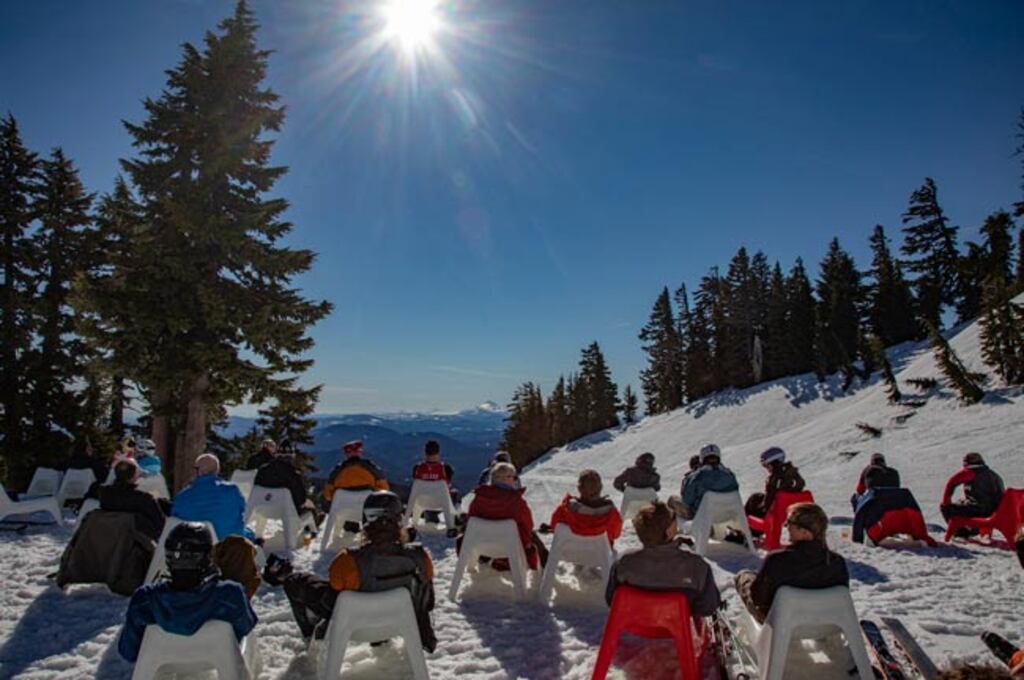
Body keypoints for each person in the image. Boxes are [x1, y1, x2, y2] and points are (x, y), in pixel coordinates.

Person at [262, 491, 437, 650]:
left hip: (356, 627)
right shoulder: (420, 558)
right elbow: (427, 601)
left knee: (295, 582)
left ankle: (311, 638)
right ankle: (381, 639)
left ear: (365, 522)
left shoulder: (348, 560)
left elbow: (331, 599)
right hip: (399, 623)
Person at [117, 522, 257, 663]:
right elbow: (245, 627)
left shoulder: (144, 599)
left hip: (160, 663)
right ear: (208, 557)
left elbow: (128, 651)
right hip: (216, 660)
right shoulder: (229, 595)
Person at [734, 503, 848, 624]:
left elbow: (758, 598)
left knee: (745, 577)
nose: (786, 527)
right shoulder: (837, 563)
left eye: (789, 523)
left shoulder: (778, 560)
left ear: (805, 532)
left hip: (782, 623)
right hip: (825, 623)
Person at [605, 500, 720, 617]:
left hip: (637, 621)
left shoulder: (623, 564)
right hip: (678, 622)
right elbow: (708, 606)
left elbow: (612, 600)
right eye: (673, 517)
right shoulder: (697, 566)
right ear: (669, 532)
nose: (676, 519)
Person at [461, 462, 546, 570]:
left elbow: (471, 519)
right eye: (514, 477)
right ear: (507, 479)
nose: (515, 480)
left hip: (482, 545)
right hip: (509, 547)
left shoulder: (479, 498)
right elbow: (528, 524)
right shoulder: (516, 501)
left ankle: (483, 560)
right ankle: (544, 564)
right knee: (531, 535)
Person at [171, 453, 254, 541]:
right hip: (228, 544)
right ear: (216, 471)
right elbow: (242, 510)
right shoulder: (232, 491)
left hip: (193, 544)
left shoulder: (183, 497)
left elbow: (174, 516)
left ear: (199, 471)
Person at [540, 469, 623, 546]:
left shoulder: (566, 509)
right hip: (601, 553)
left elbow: (555, 526)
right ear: (600, 488)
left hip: (570, 551)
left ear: (579, 488)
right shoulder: (611, 512)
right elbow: (616, 534)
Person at [99, 459, 166, 541]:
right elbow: (160, 524)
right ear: (134, 477)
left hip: (106, 538)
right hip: (133, 543)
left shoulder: (104, 495)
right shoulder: (143, 499)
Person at [669, 444, 739, 520]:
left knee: (672, 500)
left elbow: (687, 501)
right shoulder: (730, 475)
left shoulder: (696, 477)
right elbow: (735, 491)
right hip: (727, 513)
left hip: (702, 516)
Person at [254, 446, 321, 523]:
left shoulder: (262, 470)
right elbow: (301, 499)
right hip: (285, 512)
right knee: (309, 506)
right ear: (291, 457)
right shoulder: (293, 474)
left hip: (261, 509)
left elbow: (255, 487)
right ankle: (313, 523)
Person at [940, 452, 1005, 524]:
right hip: (995, 510)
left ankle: (958, 528)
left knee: (946, 508)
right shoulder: (993, 474)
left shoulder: (971, 472)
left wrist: (946, 502)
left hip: (980, 510)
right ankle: (971, 527)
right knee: (962, 502)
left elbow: (951, 483)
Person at [745, 446, 805, 520]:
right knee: (757, 496)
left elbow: (768, 503)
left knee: (753, 499)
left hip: (776, 512)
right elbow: (800, 485)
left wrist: (758, 506)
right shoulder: (793, 472)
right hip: (791, 506)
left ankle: (743, 521)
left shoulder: (774, 478)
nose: (767, 468)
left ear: (774, 463)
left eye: (767, 465)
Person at [411, 439, 460, 522]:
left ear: (425, 453)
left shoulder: (417, 468)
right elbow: (448, 484)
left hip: (422, 502)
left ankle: (429, 516)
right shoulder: (446, 468)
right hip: (442, 501)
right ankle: (453, 519)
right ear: (438, 452)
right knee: (454, 492)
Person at [323, 440, 390, 499]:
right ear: (360, 452)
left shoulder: (338, 470)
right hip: (367, 504)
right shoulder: (371, 467)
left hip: (342, 505)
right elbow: (384, 488)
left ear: (346, 454)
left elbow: (328, 495)